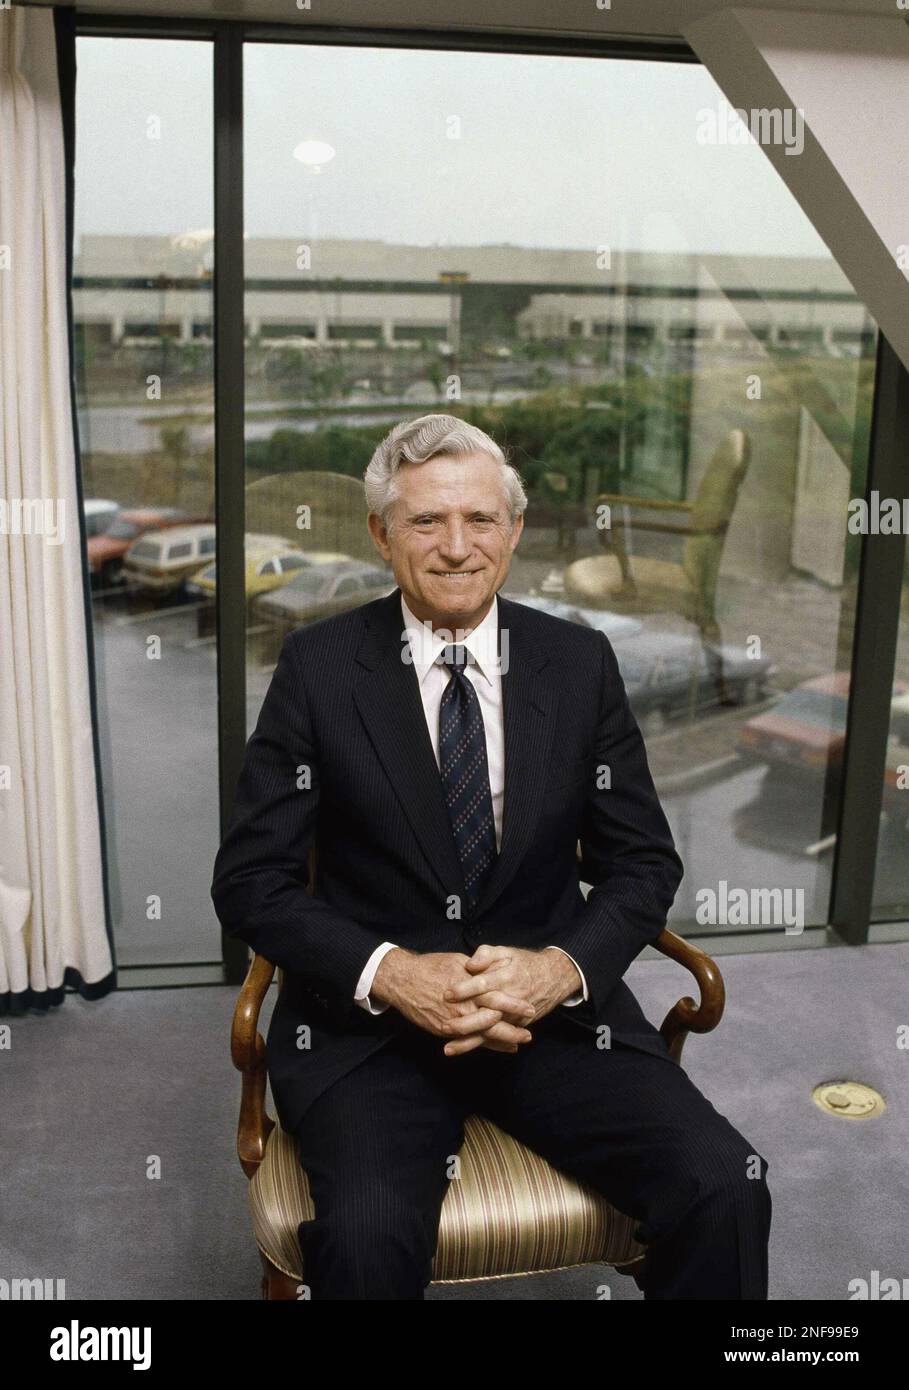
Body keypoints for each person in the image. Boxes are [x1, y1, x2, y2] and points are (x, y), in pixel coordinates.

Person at [211, 413, 771, 1300]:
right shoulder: (318, 669)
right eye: (427, 521)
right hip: (371, 1034)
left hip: (550, 1017)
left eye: (480, 520)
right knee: (362, 1241)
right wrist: (392, 974)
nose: (456, 547)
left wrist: (558, 970)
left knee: (723, 1188)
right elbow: (251, 883)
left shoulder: (577, 661)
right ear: (381, 534)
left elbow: (641, 865)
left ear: (513, 532)